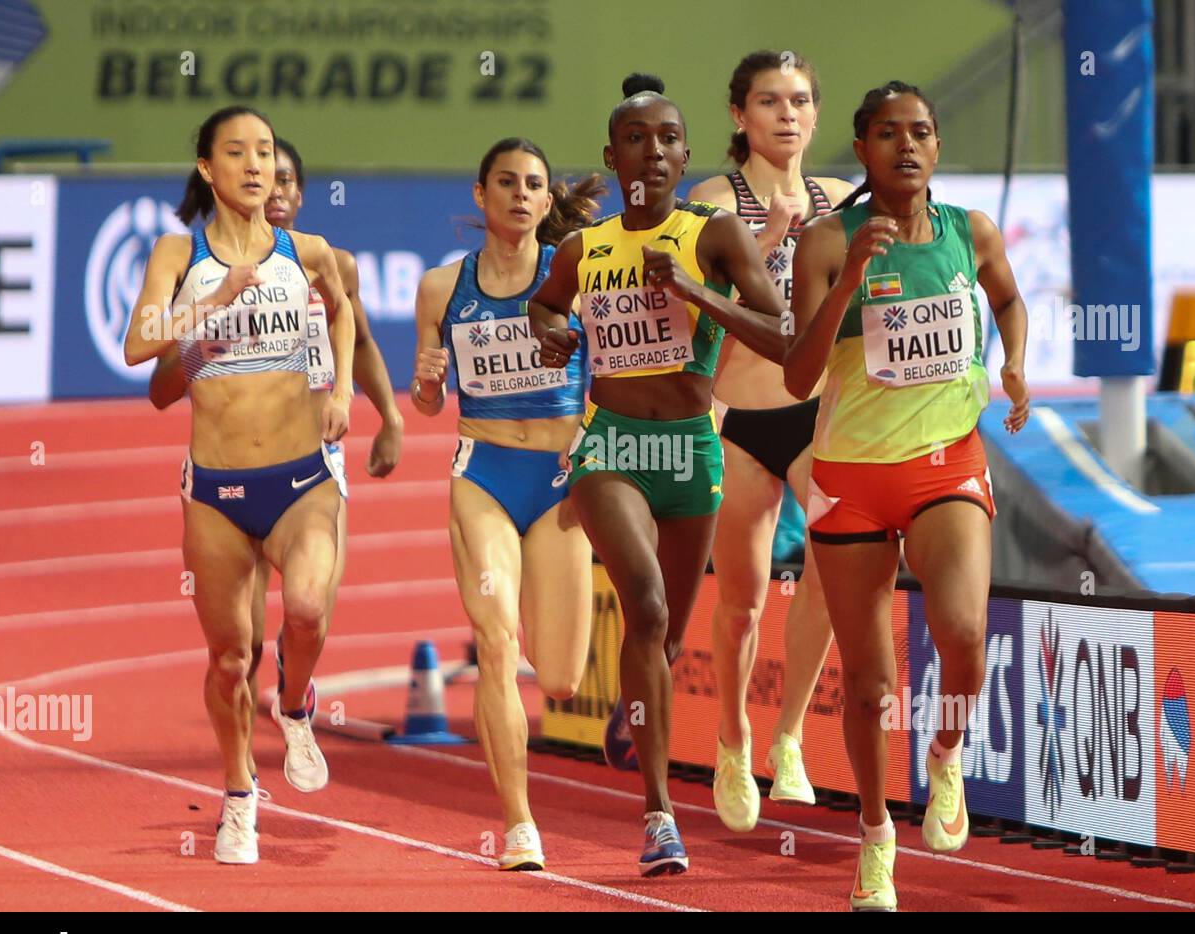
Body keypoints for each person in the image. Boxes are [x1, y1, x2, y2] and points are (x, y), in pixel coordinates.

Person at [531, 73, 788, 876]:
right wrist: (553, 334)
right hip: (612, 448)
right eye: (637, 139)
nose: (655, 149)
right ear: (612, 158)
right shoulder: (586, 247)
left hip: (690, 451)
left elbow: (783, 334)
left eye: (670, 138)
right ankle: (659, 814)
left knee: (667, 635)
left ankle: (636, 709)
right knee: (641, 604)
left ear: (684, 155)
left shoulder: (713, 237)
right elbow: (545, 304)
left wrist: (697, 298)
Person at [784, 81, 1030, 910]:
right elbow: (796, 374)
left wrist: (1014, 362)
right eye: (887, 134)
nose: (907, 146)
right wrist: (851, 277)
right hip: (850, 482)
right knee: (868, 686)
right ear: (861, 150)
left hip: (944, 465)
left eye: (921, 131)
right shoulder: (826, 241)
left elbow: (1007, 297)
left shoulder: (971, 232)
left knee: (962, 631)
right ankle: (876, 834)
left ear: (935, 144)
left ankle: (945, 752)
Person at [125, 106, 355, 865]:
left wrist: (345, 390)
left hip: (301, 479)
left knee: (311, 610)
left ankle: (296, 703)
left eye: (264, 151)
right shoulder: (176, 250)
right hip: (217, 489)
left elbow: (344, 304)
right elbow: (140, 347)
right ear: (206, 168)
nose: (255, 165)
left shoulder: (306, 248)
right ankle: (238, 797)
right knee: (230, 660)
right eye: (237, 152)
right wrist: (210, 307)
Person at [147, 136, 404, 796]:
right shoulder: (195, 263)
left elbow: (364, 337)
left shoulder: (327, 261)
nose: (275, 187)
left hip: (314, 457)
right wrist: (210, 339)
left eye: (286, 178)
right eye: (262, 171)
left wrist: (379, 411)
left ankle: (295, 703)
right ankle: (245, 775)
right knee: (243, 643)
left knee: (309, 609)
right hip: (226, 465)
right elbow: (161, 385)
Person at [413, 138, 603, 871]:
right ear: (480, 195)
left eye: (534, 185)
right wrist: (429, 386)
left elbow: (615, 375)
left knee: (557, 678)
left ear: (548, 202)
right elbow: (430, 402)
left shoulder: (578, 277)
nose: (521, 195)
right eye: (507, 183)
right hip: (483, 474)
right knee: (497, 645)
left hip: (557, 482)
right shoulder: (441, 288)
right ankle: (520, 825)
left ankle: (523, 805)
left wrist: (591, 430)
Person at [687, 50, 854, 832]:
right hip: (739, 416)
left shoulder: (844, 204)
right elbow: (693, 308)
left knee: (830, 567)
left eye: (799, 101)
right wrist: (769, 242)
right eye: (768, 101)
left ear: (817, 115)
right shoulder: (714, 199)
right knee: (742, 602)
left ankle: (788, 737)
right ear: (738, 116)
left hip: (816, 415)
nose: (787, 114)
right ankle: (732, 736)